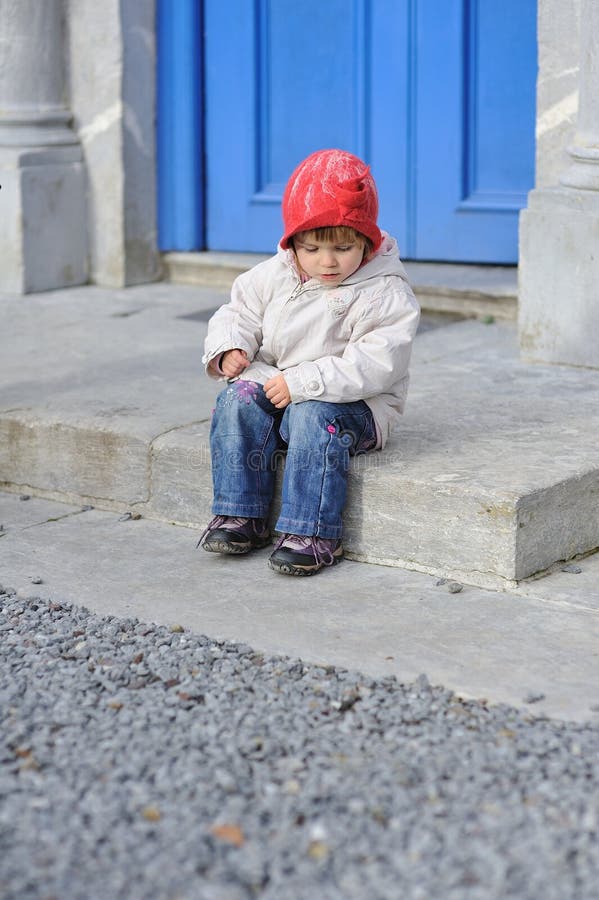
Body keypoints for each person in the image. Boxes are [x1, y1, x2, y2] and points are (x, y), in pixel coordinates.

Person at [198, 148, 420, 575]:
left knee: (314, 418)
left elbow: (376, 364)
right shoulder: (275, 273)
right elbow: (238, 311)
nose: (328, 261)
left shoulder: (385, 292)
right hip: (284, 388)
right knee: (238, 399)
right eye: (312, 247)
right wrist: (230, 346)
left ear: (367, 243)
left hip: (356, 405)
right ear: (293, 243)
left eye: (343, 246)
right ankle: (240, 512)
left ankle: (312, 531)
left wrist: (303, 382)